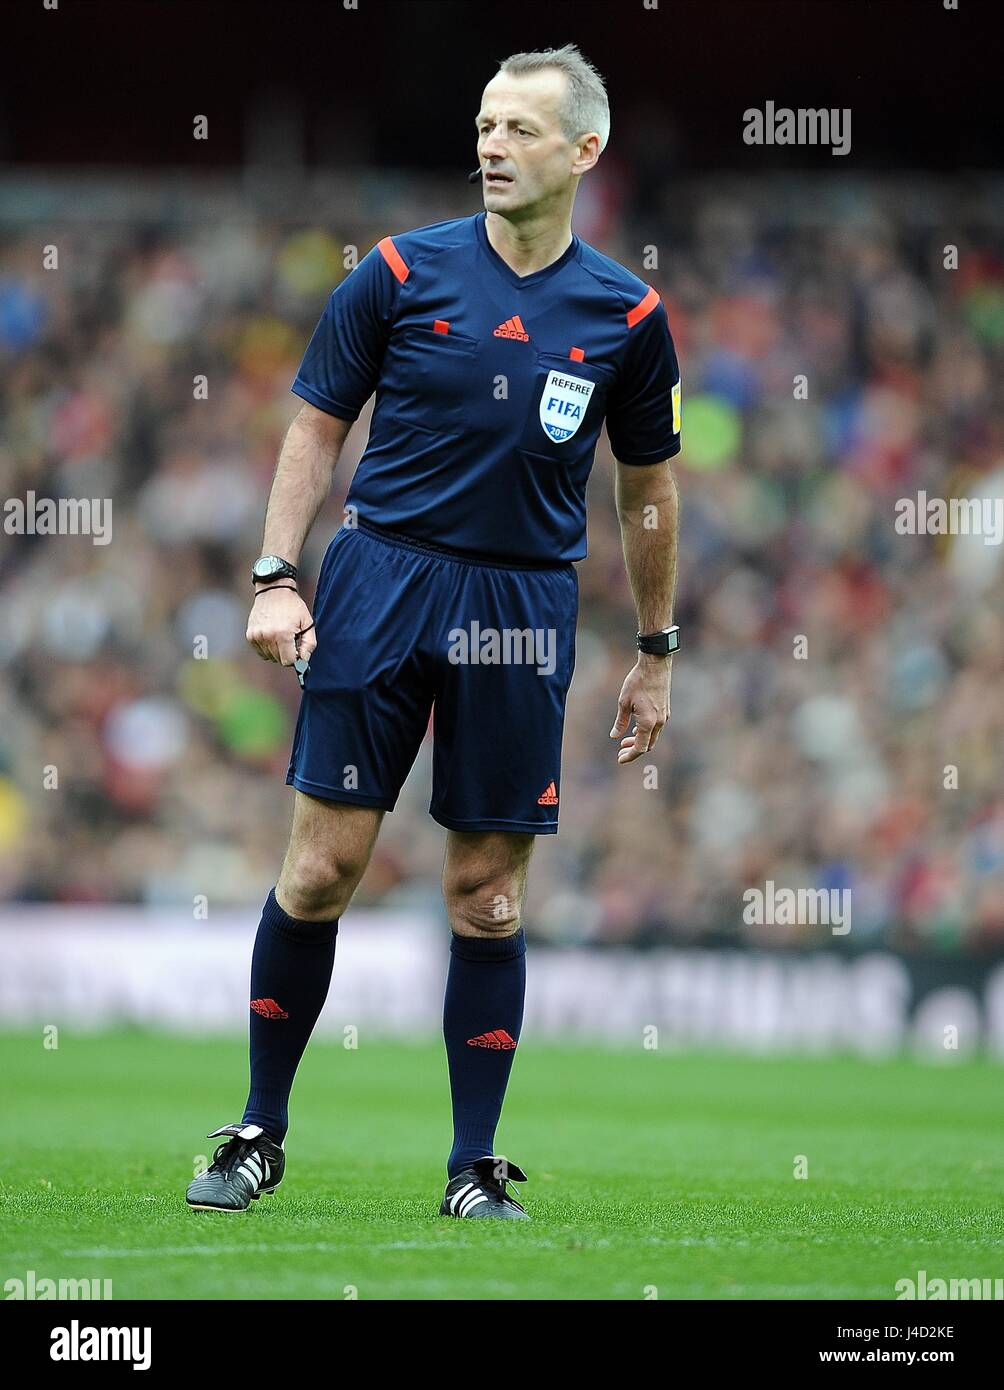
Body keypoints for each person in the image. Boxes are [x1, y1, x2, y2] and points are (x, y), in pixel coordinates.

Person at [186, 42, 681, 1222]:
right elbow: (313, 429)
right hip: (379, 582)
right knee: (320, 868)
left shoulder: (628, 312)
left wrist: (655, 653)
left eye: (516, 128)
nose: (490, 146)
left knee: (485, 895)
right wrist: (272, 574)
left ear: (583, 152)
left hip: (520, 604)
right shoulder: (400, 272)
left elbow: (648, 490)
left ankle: (472, 1164)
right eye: (482, 124)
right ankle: (258, 1131)